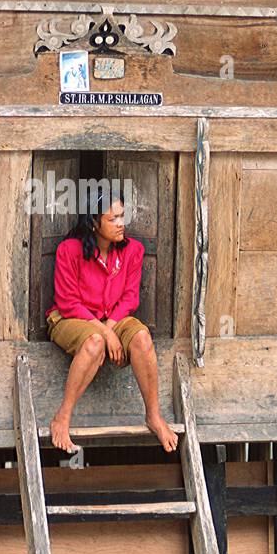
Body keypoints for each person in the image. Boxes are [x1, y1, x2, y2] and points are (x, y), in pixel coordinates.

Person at [46, 192, 179, 455]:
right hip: (71, 317)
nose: (121, 223)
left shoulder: (133, 250)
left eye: (122, 216)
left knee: (141, 337)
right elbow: (68, 301)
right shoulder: (69, 250)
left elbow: (130, 297)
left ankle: (153, 415)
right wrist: (105, 332)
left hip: (113, 318)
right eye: (113, 218)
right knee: (94, 342)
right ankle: (62, 417)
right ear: (95, 222)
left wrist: (111, 327)